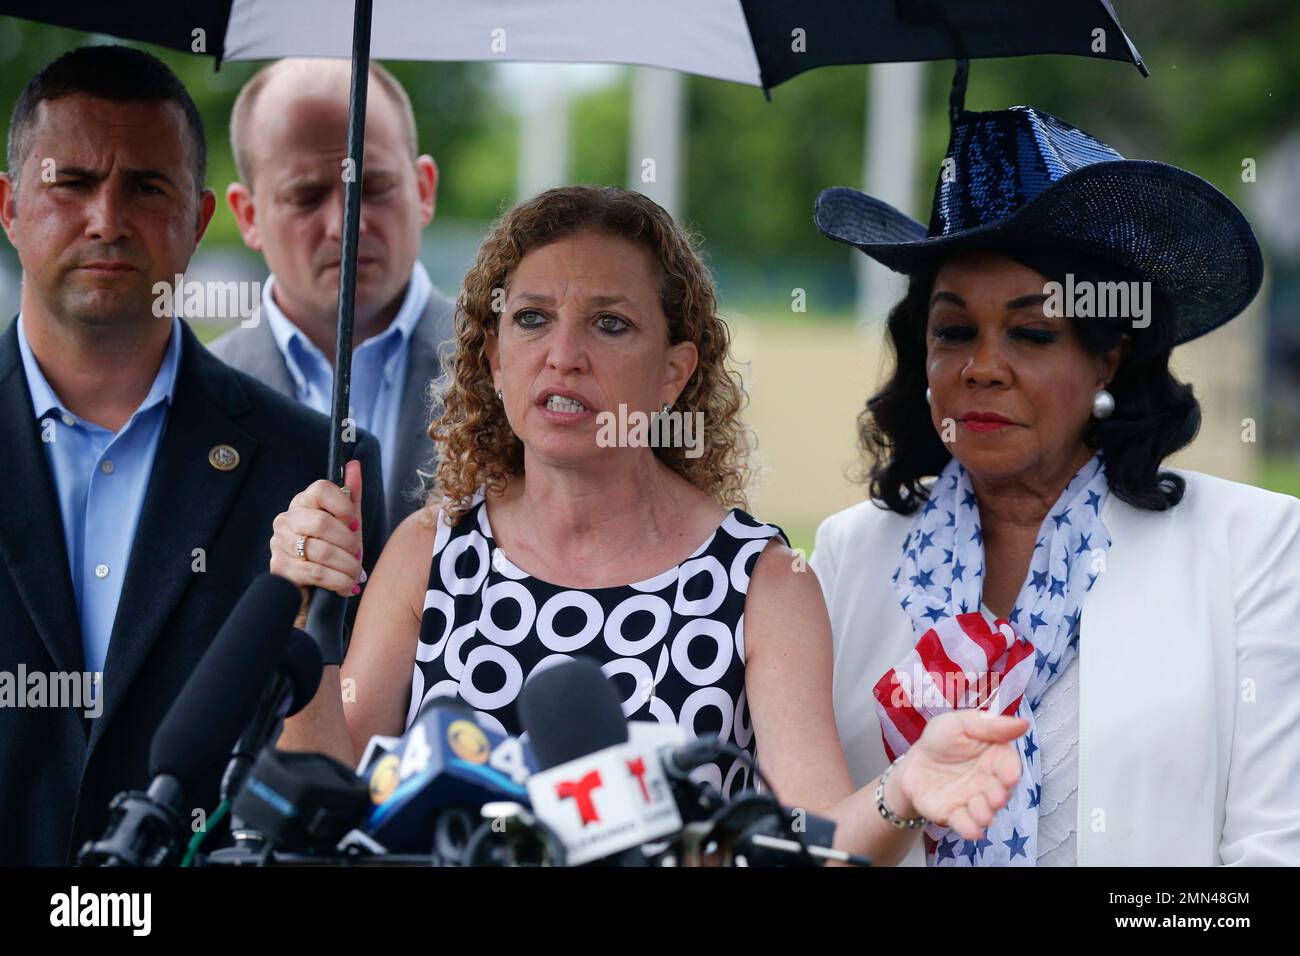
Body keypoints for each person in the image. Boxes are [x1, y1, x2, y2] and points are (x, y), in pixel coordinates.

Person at [270, 184, 1034, 864]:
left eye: (608, 324)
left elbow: (815, 841)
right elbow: (330, 798)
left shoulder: (762, 579)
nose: (562, 356)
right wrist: (308, 616)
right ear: (495, 361)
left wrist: (902, 788)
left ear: (674, 372)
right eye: (532, 319)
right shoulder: (428, 551)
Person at [811, 105, 1300, 866]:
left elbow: (1275, 851)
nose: (983, 366)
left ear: (1107, 358)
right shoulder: (847, 555)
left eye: (1032, 334)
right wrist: (902, 790)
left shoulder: (1252, 546)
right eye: (953, 331)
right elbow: (802, 839)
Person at [0, 45, 384, 865]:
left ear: (200, 218)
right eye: (71, 182)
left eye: (147, 186)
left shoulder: (319, 469)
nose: (107, 218)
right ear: (7, 205)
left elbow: (337, 784)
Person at [210, 59, 456, 533]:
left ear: (424, 190)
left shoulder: (511, 371)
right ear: (248, 215)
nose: (347, 225)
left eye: (375, 187)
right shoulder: (193, 401)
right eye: (305, 196)